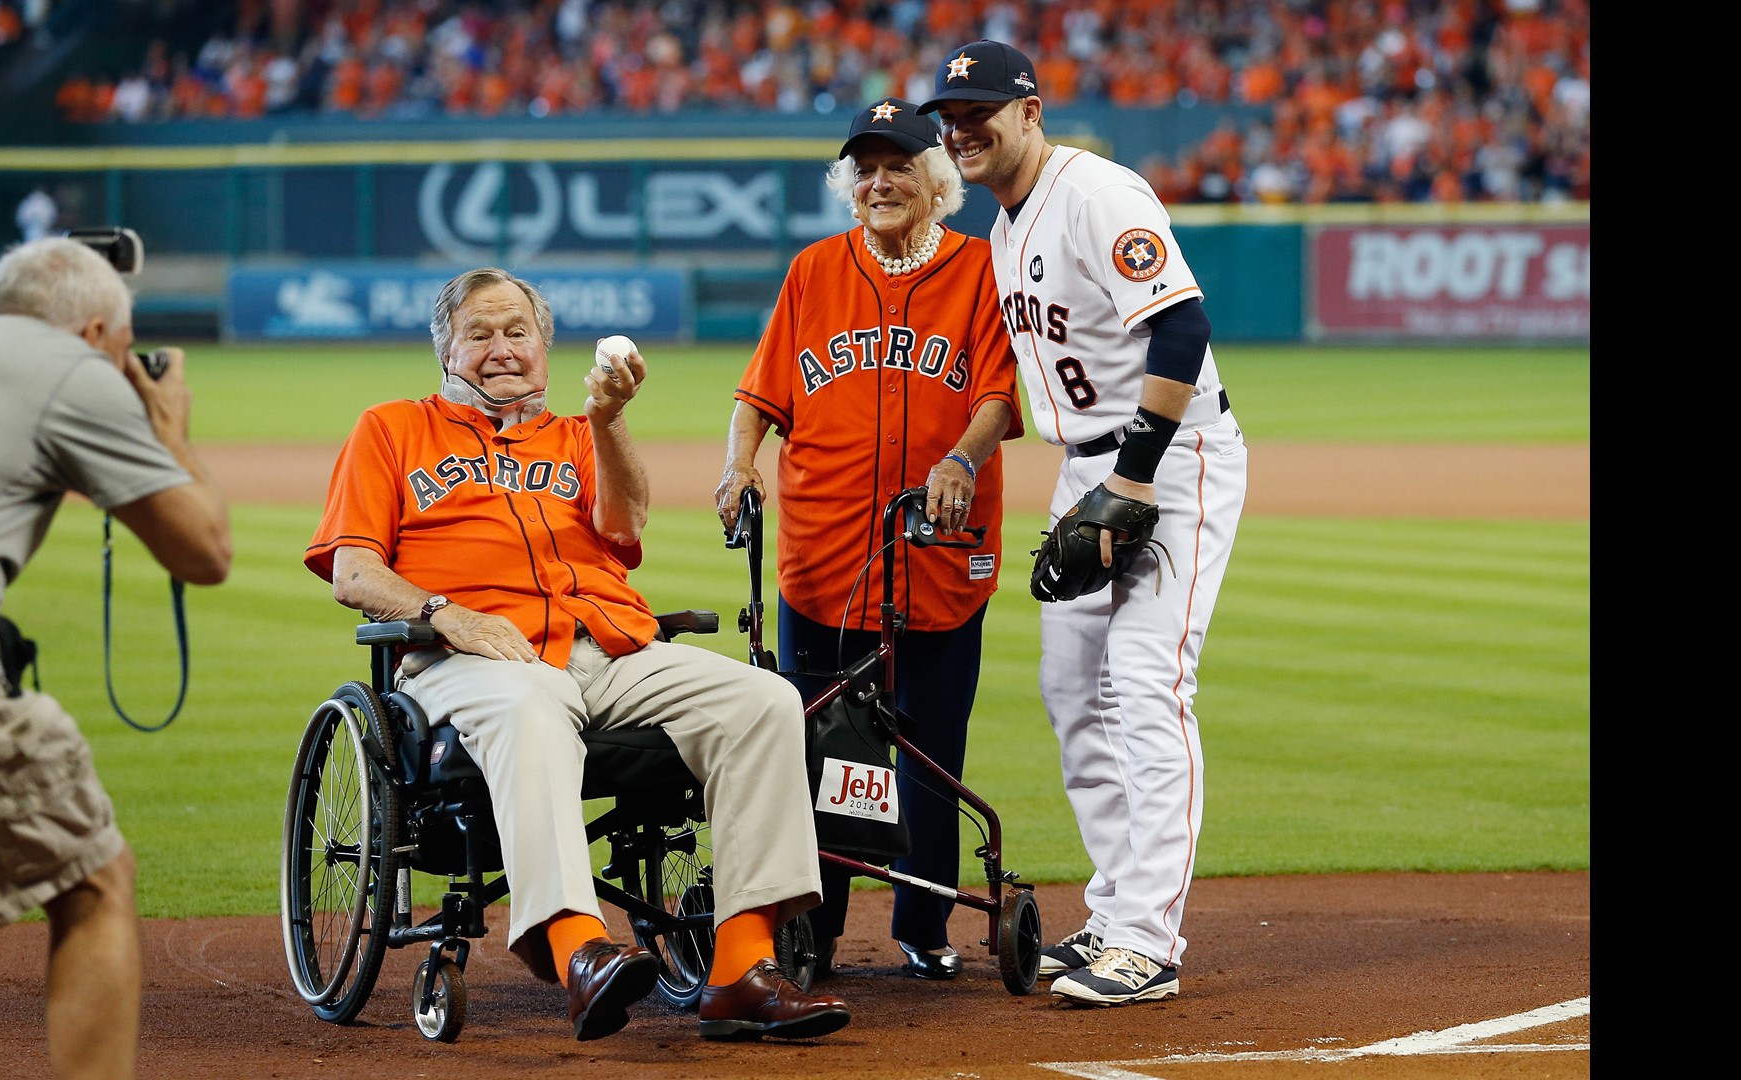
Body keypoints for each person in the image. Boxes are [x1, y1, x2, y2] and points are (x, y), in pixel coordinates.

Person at [303, 267, 852, 1043]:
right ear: (446, 350)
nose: (502, 349)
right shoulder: (390, 429)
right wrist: (445, 613)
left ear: (544, 346)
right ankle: (577, 950)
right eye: (480, 334)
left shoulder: (574, 435)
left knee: (764, 701)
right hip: (470, 658)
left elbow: (625, 526)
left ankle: (741, 966)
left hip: (604, 644)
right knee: (533, 703)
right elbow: (353, 572)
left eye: (517, 332)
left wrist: (608, 418)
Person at [919, 40, 1249, 1008]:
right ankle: (1114, 910)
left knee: (1147, 682)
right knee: (1073, 691)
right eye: (952, 116)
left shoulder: (1097, 193)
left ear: (1030, 112)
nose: (962, 129)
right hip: (1085, 465)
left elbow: (1181, 328)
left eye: (980, 110)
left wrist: (1134, 478)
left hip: (1170, 454)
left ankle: (1150, 939)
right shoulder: (1002, 227)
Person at [713, 98, 1022, 981]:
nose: (880, 182)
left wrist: (961, 457)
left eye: (899, 167)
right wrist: (738, 465)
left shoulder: (980, 270)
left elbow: (997, 394)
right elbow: (759, 396)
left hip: (938, 550)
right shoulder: (814, 270)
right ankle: (812, 931)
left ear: (937, 180)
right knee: (819, 750)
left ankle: (925, 925)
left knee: (931, 750)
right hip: (825, 555)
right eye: (866, 170)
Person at [0, 236, 233, 1079]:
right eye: (121, 349)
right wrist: (169, 430)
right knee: (92, 880)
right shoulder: (72, 368)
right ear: (93, 331)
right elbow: (205, 552)